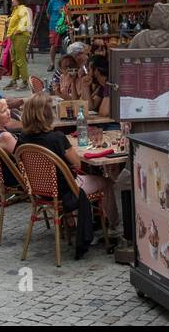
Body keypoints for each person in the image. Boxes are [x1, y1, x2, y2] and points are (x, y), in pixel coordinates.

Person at [18, 92, 116, 259]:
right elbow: (77, 164)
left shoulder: (23, 139)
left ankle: (81, 225)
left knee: (77, 179)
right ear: (47, 114)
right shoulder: (57, 138)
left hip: (39, 190)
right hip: (65, 190)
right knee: (106, 182)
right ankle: (110, 228)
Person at [6, 0, 33, 89]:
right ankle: (14, 80)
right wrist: (8, 20)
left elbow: (25, 23)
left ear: (19, 0)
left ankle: (25, 81)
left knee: (20, 59)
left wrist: (16, 31)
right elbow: (15, 20)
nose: (12, 0)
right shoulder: (16, 9)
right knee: (14, 59)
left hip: (20, 36)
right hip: (15, 36)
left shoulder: (22, 9)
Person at [46, 0, 68, 71]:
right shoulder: (53, 1)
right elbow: (48, 13)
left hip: (64, 25)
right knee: (54, 45)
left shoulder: (67, 1)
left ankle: (63, 64)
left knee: (64, 45)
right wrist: (55, 20)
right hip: (54, 25)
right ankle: (52, 63)